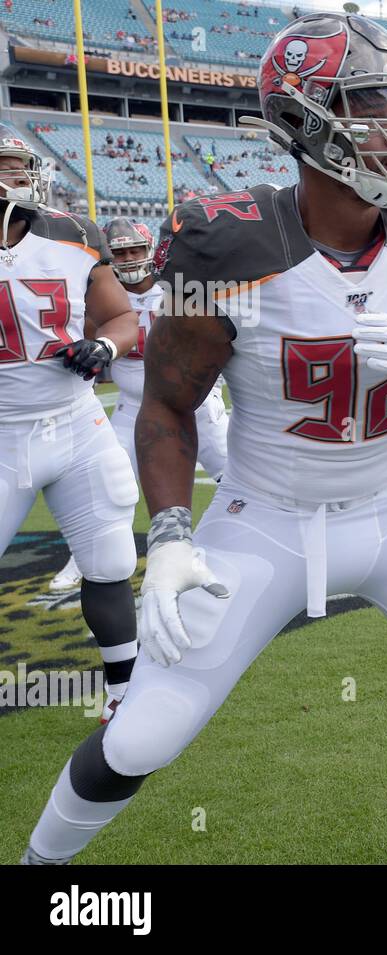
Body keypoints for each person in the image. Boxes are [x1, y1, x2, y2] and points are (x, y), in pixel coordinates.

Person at [23, 14, 387, 867]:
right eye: (372, 106)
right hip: (263, 515)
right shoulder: (223, 242)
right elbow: (166, 407)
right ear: (306, 123)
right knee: (144, 735)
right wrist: (170, 532)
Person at [0, 125, 142, 735]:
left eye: (18, 166)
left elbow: (120, 315)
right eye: (4, 167)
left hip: (76, 422)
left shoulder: (73, 233)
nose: (17, 179)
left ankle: (127, 693)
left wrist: (104, 345)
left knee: (110, 561)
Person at [49, 218, 231, 592]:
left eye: (135, 250)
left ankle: (233, 544)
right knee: (104, 489)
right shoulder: (102, 295)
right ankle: (81, 561)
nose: (129, 259)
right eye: (120, 252)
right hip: (134, 406)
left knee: (233, 475)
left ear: (150, 251)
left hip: (194, 401)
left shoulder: (180, 286)